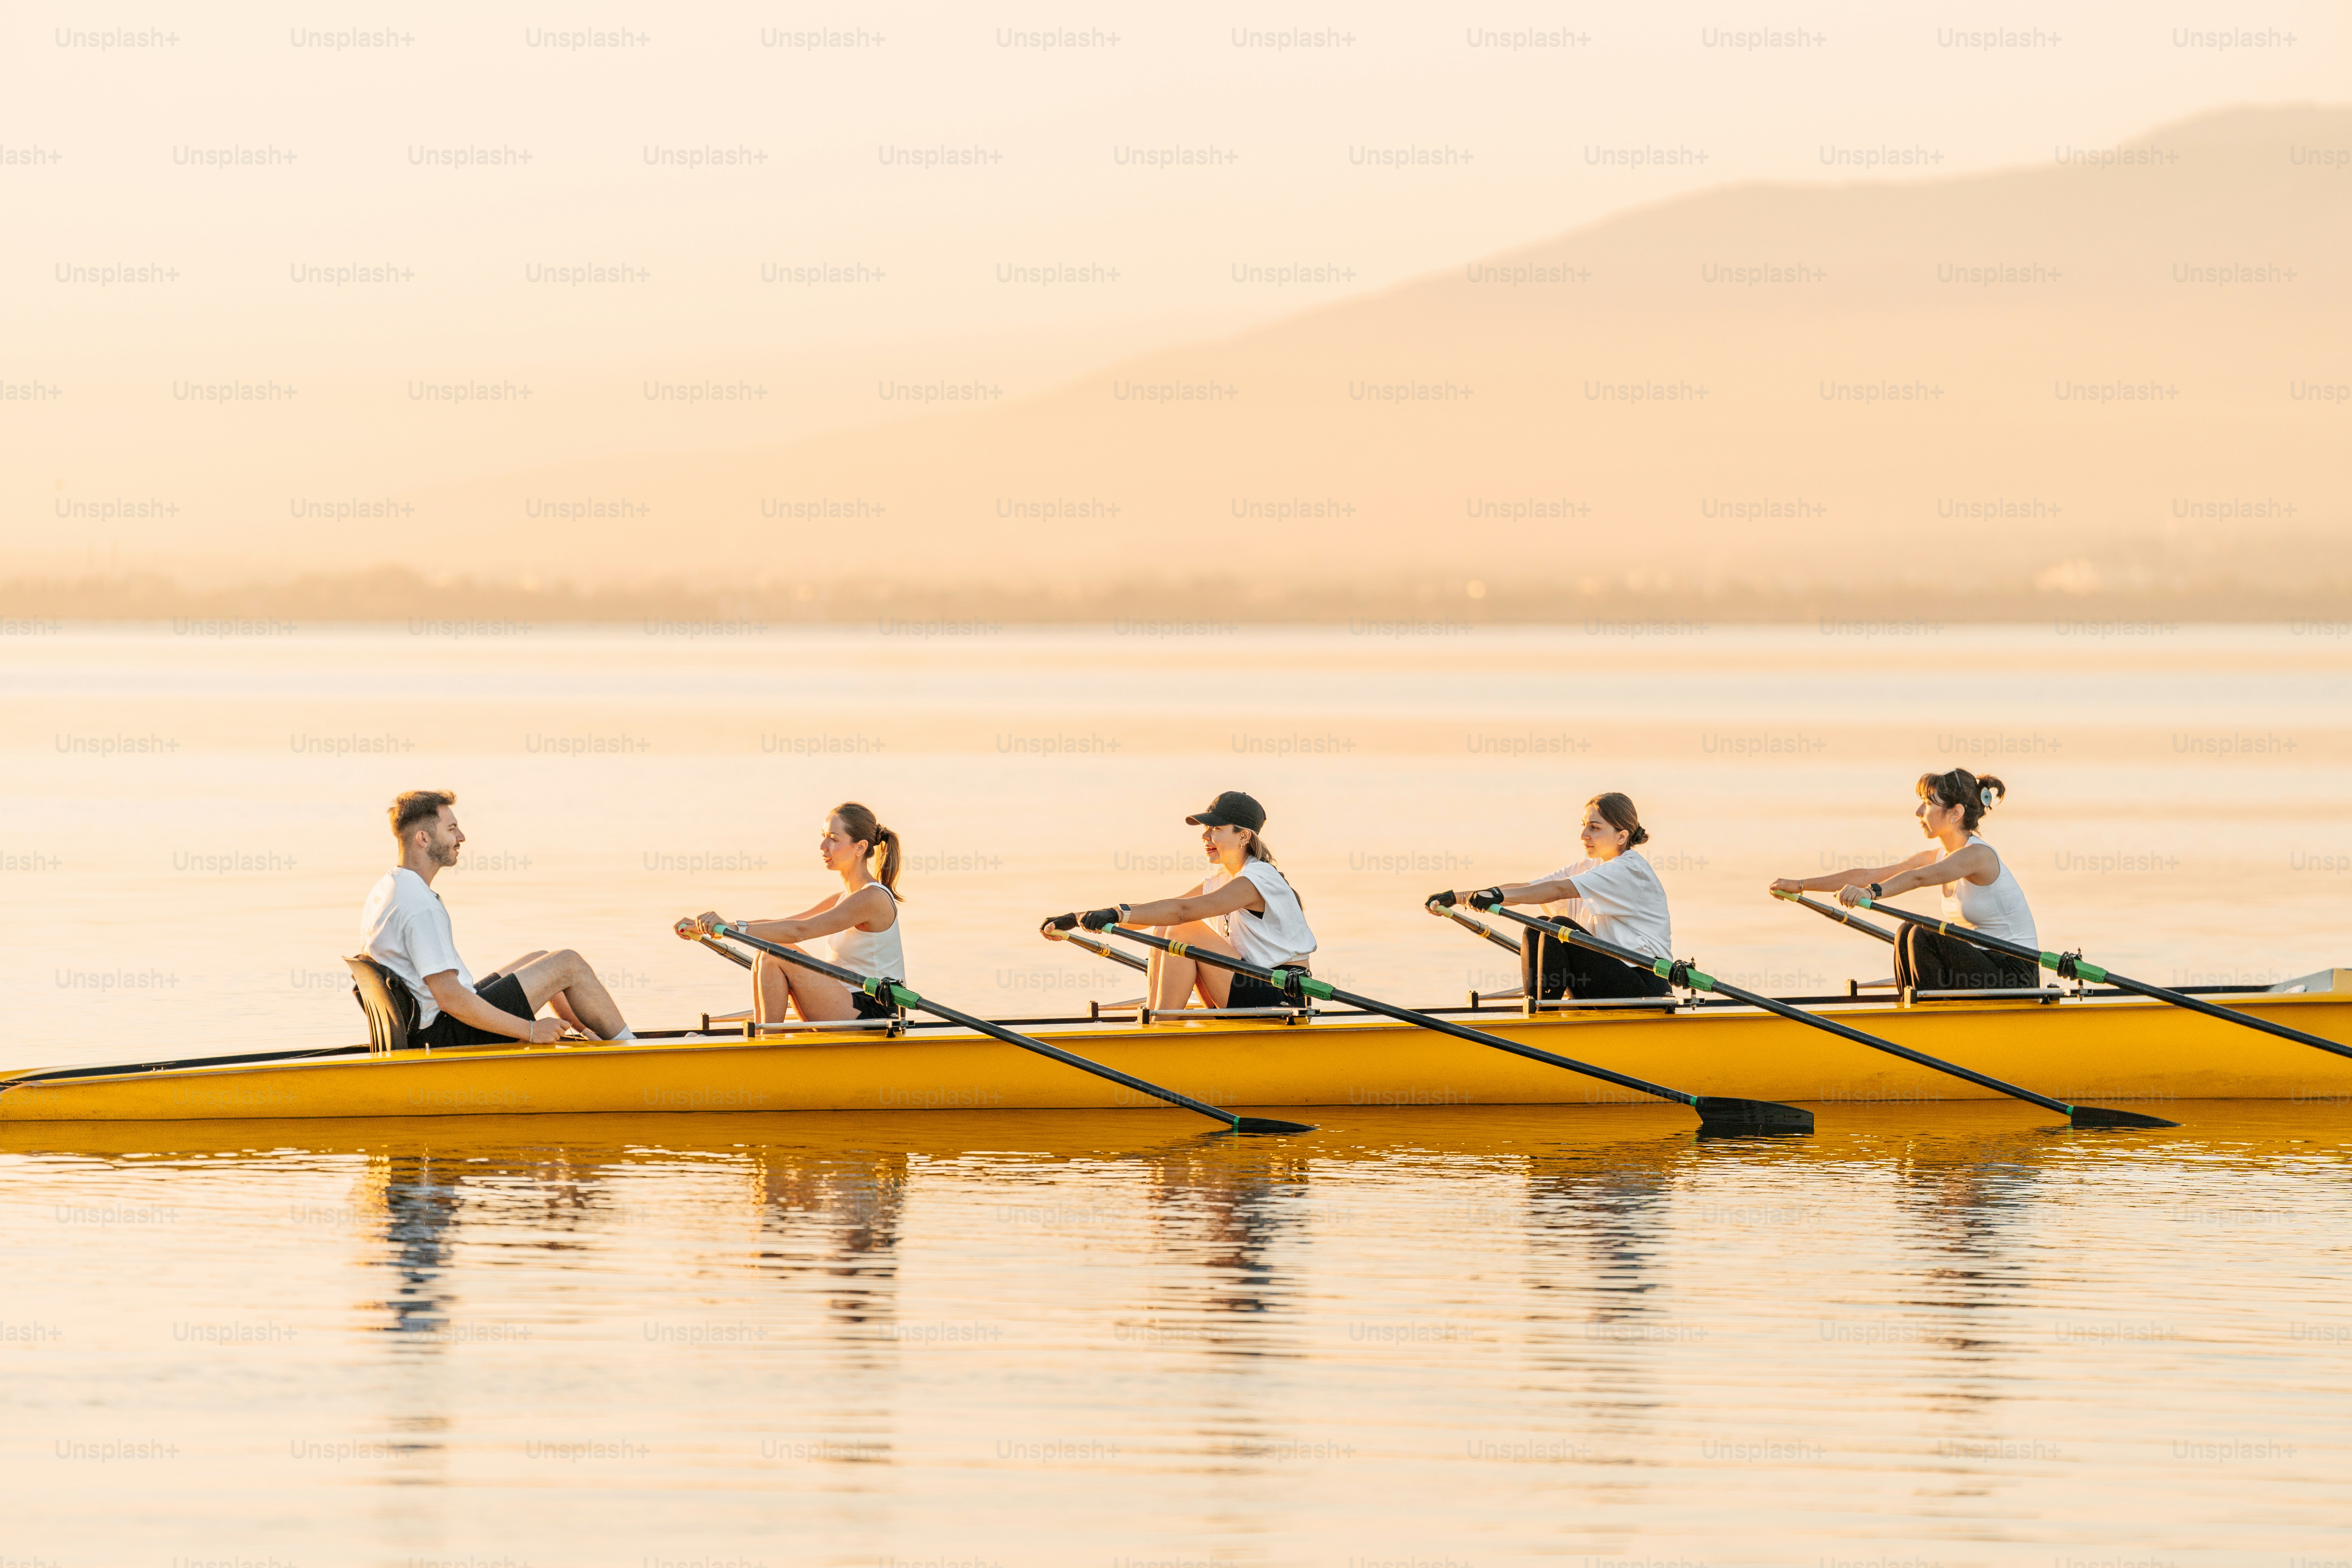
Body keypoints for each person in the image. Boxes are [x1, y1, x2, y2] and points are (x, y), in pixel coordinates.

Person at [361, 790, 633, 1048]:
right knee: (568, 963)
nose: (462, 836)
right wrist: (530, 1031)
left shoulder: (390, 888)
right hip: (443, 1034)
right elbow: (451, 999)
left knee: (542, 958)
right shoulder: (419, 907)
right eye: (451, 829)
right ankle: (633, 1049)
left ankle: (593, 1037)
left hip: (433, 1024)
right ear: (423, 839)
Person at [1042, 790, 1315, 1012]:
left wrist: (1114, 914)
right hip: (1249, 982)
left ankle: (1161, 1028)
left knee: (1183, 930)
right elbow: (1160, 913)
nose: (1205, 836)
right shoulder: (1222, 879)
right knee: (1164, 928)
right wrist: (1077, 919)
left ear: (1244, 835)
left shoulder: (1258, 879)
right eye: (1207, 829)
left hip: (1283, 994)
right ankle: (1157, 1013)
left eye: (1216, 828)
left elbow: (1182, 912)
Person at [1770, 768, 2039, 991]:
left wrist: (1872, 894)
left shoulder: (1978, 856)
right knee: (1906, 932)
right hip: (1986, 963)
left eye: (1929, 804)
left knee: (1924, 934)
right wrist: (1801, 886)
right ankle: (1914, 1006)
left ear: (1955, 813)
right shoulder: (1938, 856)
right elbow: (1868, 875)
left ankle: (1929, 1015)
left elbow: (1919, 878)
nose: (1919, 812)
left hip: (2015, 973)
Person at [1432, 791, 1673, 1000]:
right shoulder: (1588, 868)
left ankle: (1542, 1013)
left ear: (1622, 836)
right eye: (1584, 826)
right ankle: (1537, 1007)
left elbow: (1557, 890)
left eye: (1595, 828)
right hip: (1606, 982)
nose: (1584, 836)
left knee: (1557, 927)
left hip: (1645, 985)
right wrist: (1460, 896)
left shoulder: (1628, 869)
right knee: (1538, 927)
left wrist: (1494, 895)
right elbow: (1529, 887)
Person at [682, 802, 906, 1024]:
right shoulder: (842, 899)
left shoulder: (872, 898)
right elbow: (787, 923)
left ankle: (767, 1048)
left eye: (834, 839)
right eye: (824, 836)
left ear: (860, 847)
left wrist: (732, 930)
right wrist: (715, 927)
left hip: (875, 1010)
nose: (823, 846)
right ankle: (764, 1040)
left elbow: (800, 931)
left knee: (773, 953)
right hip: (844, 1000)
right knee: (767, 951)